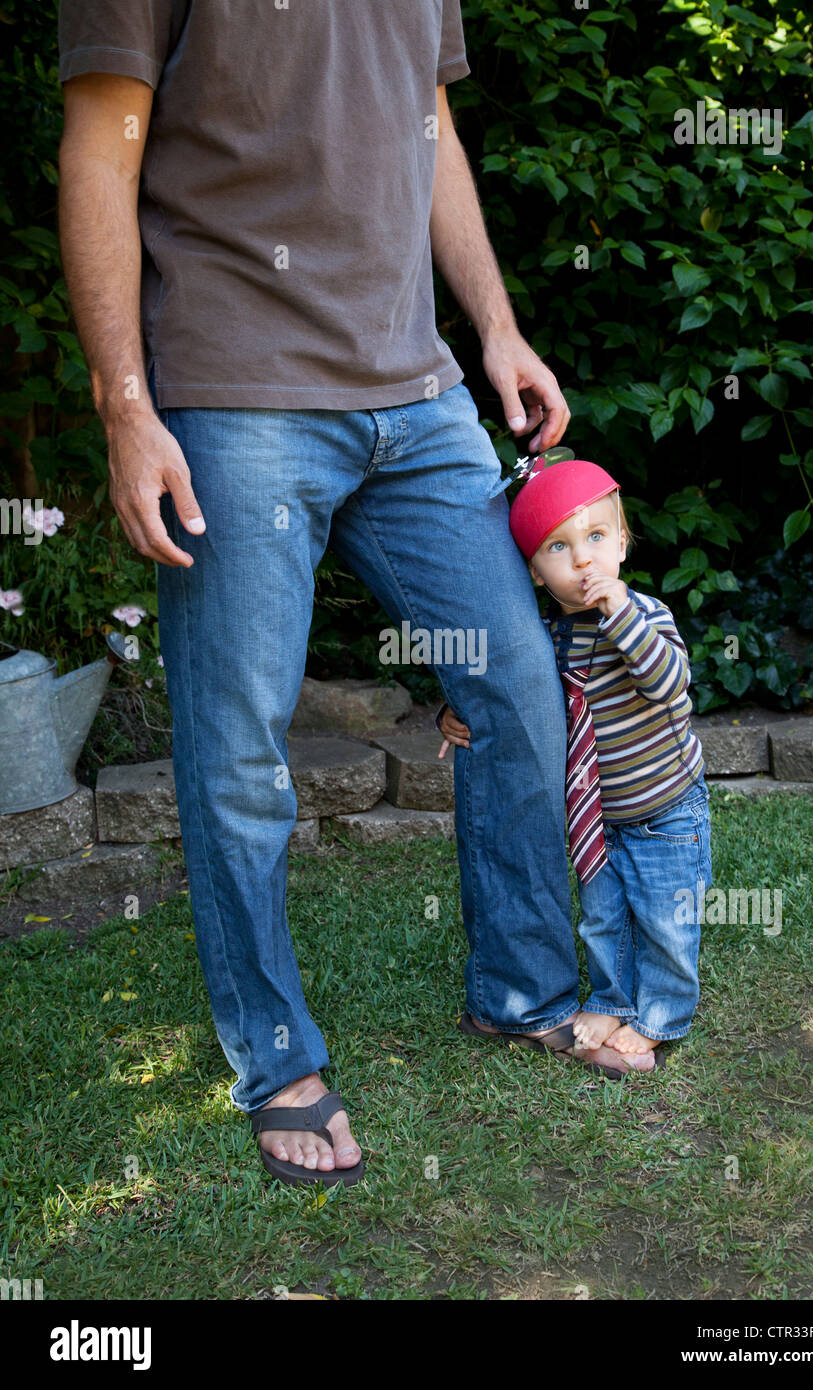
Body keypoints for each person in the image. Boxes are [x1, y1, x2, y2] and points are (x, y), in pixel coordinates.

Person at [56, 1, 629, 1189]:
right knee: (239, 746)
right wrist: (126, 403)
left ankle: (520, 989)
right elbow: (99, 144)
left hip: (417, 398)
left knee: (518, 677)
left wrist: (497, 326)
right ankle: (277, 1062)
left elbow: (427, 120)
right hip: (236, 389)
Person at [437, 457, 713, 1069]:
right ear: (534, 573)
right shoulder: (545, 637)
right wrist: (453, 716)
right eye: (558, 548)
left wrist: (620, 614)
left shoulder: (646, 616)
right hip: (599, 814)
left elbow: (669, 685)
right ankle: (613, 1000)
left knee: (666, 923)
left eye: (595, 537)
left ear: (622, 540)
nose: (582, 559)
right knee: (604, 918)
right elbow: (519, 696)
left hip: (666, 807)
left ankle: (662, 1017)